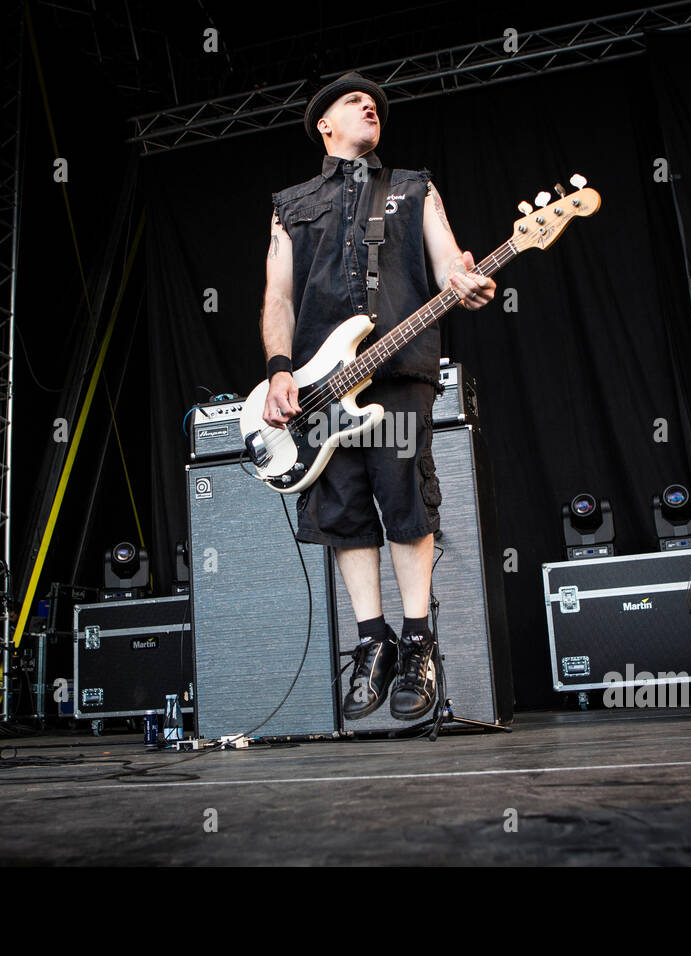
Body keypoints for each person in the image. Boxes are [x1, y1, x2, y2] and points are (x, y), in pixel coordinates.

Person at [259, 72, 495, 721]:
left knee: (403, 493)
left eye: (377, 102)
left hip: (397, 371)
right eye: (353, 100)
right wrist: (281, 368)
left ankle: (417, 639)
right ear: (324, 125)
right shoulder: (292, 203)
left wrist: (464, 279)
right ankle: (373, 641)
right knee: (342, 509)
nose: (371, 104)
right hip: (317, 382)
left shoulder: (412, 187)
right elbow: (278, 297)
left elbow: (448, 263)